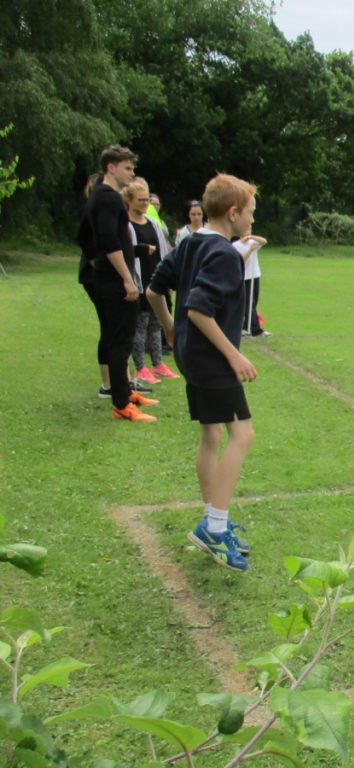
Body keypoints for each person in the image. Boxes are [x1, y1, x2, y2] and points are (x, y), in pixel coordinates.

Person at [147, 173, 258, 572]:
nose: (252, 220)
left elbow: (154, 290)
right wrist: (234, 355)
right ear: (233, 212)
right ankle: (214, 527)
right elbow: (198, 309)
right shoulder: (223, 253)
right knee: (242, 434)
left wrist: (170, 329)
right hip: (211, 360)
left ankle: (214, 520)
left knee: (211, 435)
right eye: (251, 213)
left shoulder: (191, 242)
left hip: (190, 355)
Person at [81, 145, 159, 422]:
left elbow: (83, 236)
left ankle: (125, 391)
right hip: (115, 283)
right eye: (127, 168)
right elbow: (108, 240)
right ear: (111, 168)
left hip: (108, 278)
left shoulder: (102, 197)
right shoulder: (107, 198)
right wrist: (126, 279)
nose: (132, 173)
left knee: (119, 337)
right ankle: (121, 404)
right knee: (120, 340)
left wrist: (96, 263)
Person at [124, 179, 178, 383]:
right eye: (140, 200)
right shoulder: (126, 226)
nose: (145, 203)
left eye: (147, 199)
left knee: (157, 323)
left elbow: (164, 251)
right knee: (141, 324)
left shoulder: (153, 223)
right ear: (129, 201)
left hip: (155, 279)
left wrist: (167, 279)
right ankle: (140, 367)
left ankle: (158, 363)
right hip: (139, 280)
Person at [236, 231, 271, 337]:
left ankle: (247, 327)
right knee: (248, 303)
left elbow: (264, 241)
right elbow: (240, 261)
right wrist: (250, 250)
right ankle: (254, 329)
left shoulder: (253, 242)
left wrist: (251, 237)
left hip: (255, 275)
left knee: (253, 303)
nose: (248, 231)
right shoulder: (236, 245)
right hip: (245, 277)